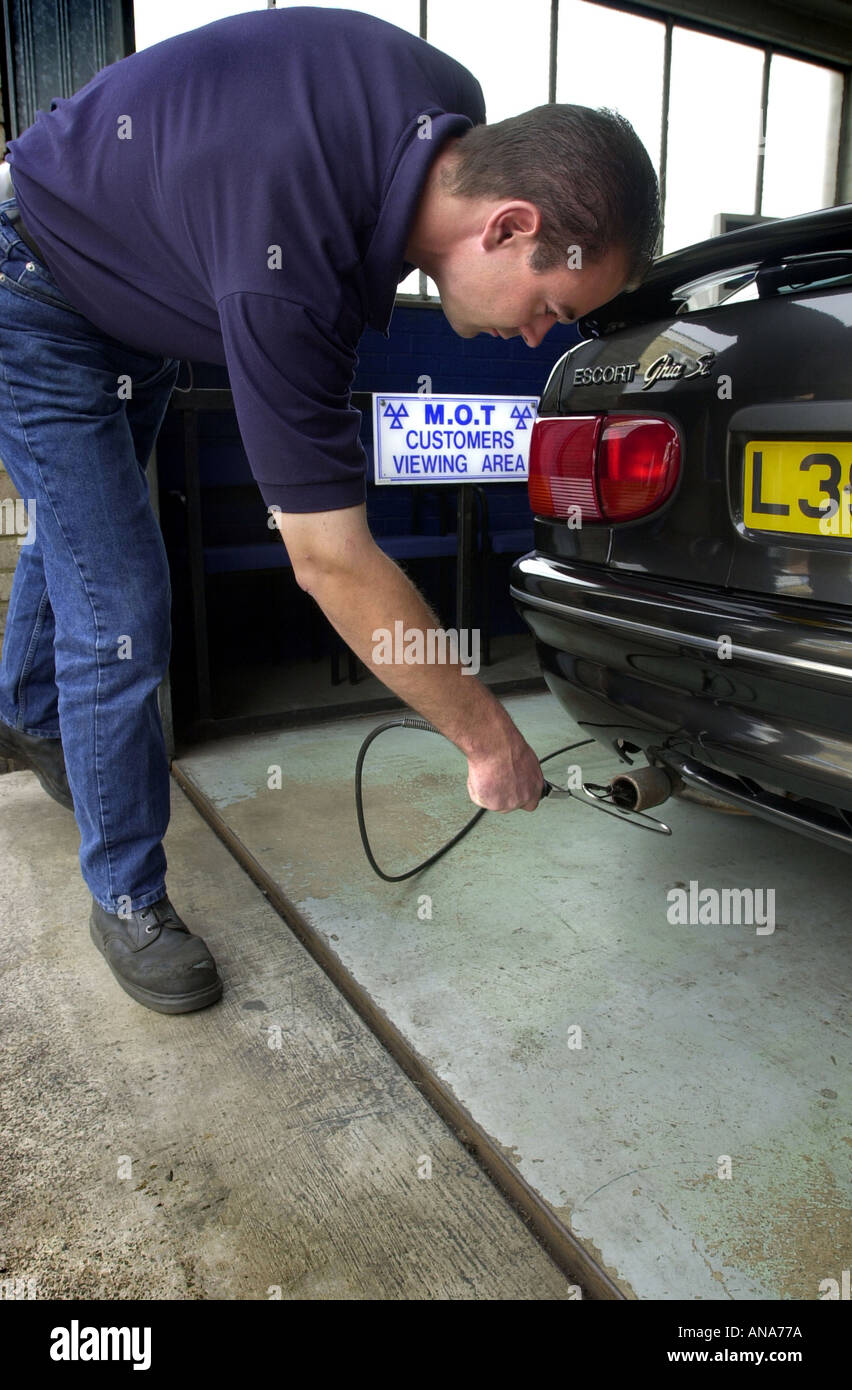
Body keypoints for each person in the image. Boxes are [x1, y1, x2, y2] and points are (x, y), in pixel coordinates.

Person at [0, 7, 660, 1014]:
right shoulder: (288, 273)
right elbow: (332, 562)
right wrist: (487, 738)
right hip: (40, 291)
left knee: (76, 539)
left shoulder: (448, 104)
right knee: (122, 605)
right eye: (552, 308)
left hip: (131, 293)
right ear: (511, 224)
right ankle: (125, 893)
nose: (535, 340)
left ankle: (32, 714)